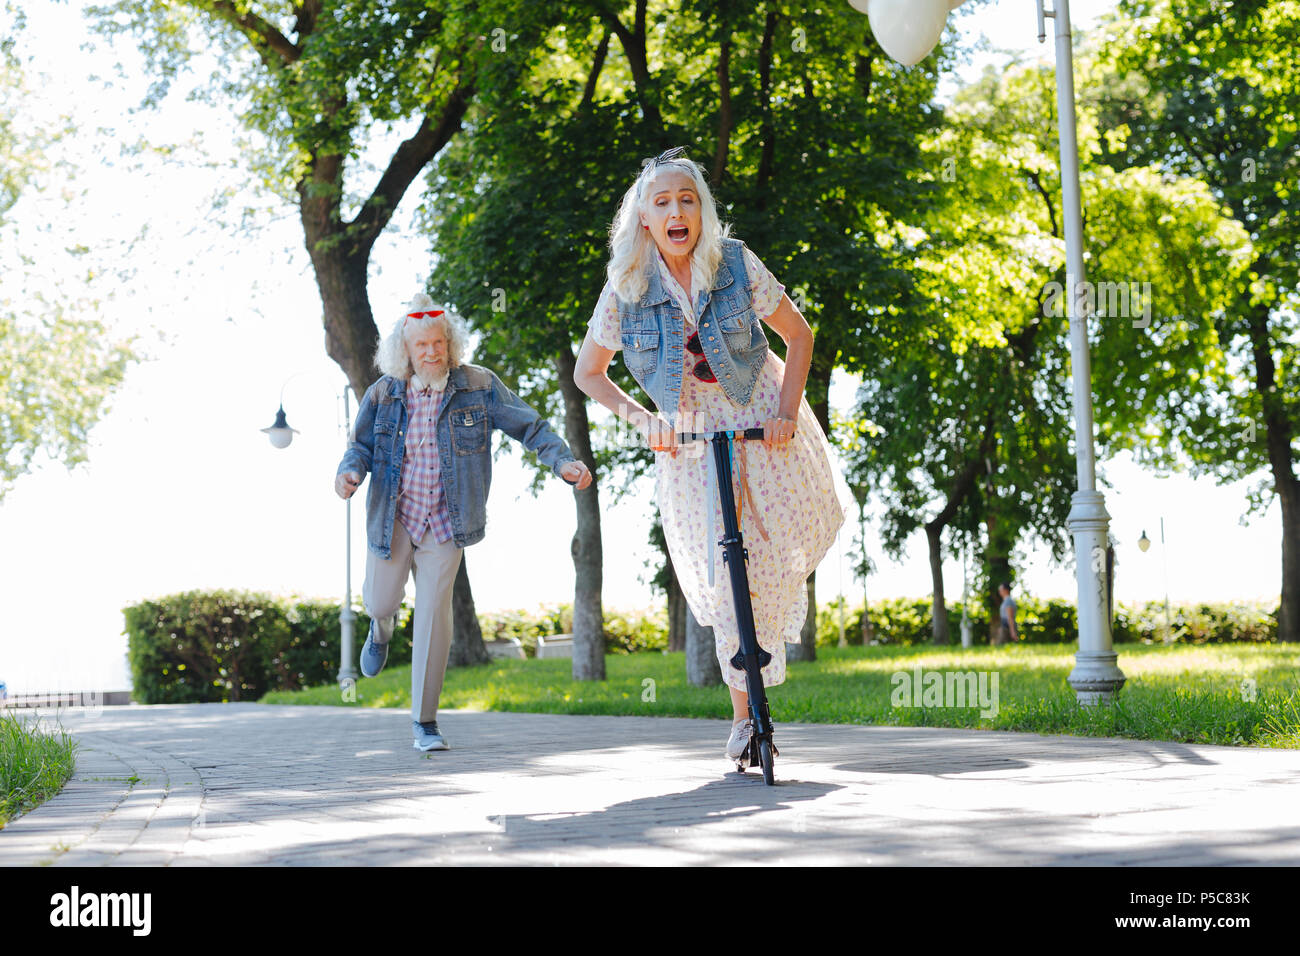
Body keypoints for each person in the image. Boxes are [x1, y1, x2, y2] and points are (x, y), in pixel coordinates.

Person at [573, 147, 844, 766]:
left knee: (769, 558)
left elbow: (798, 336)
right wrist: (646, 422)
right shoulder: (627, 289)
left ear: (702, 212)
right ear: (644, 218)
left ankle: (760, 686)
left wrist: (783, 414)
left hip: (759, 412)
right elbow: (590, 373)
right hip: (689, 435)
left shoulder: (737, 264)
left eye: (687, 200)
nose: (676, 211)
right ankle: (744, 718)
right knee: (727, 575)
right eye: (662, 202)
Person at [336, 294, 593, 752]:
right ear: (406, 352)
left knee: (435, 616)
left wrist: (562, 462)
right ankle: (381, 628)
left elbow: (530, 426)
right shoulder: (384, 393)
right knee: (379, 602)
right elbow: (358, 447)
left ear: (450, 345)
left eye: (439, 343)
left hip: (446, 522)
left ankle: (425, 722)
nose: (432, 352)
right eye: (422, 346)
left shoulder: (478, 385)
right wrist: (349, 472)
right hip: (393, 517)